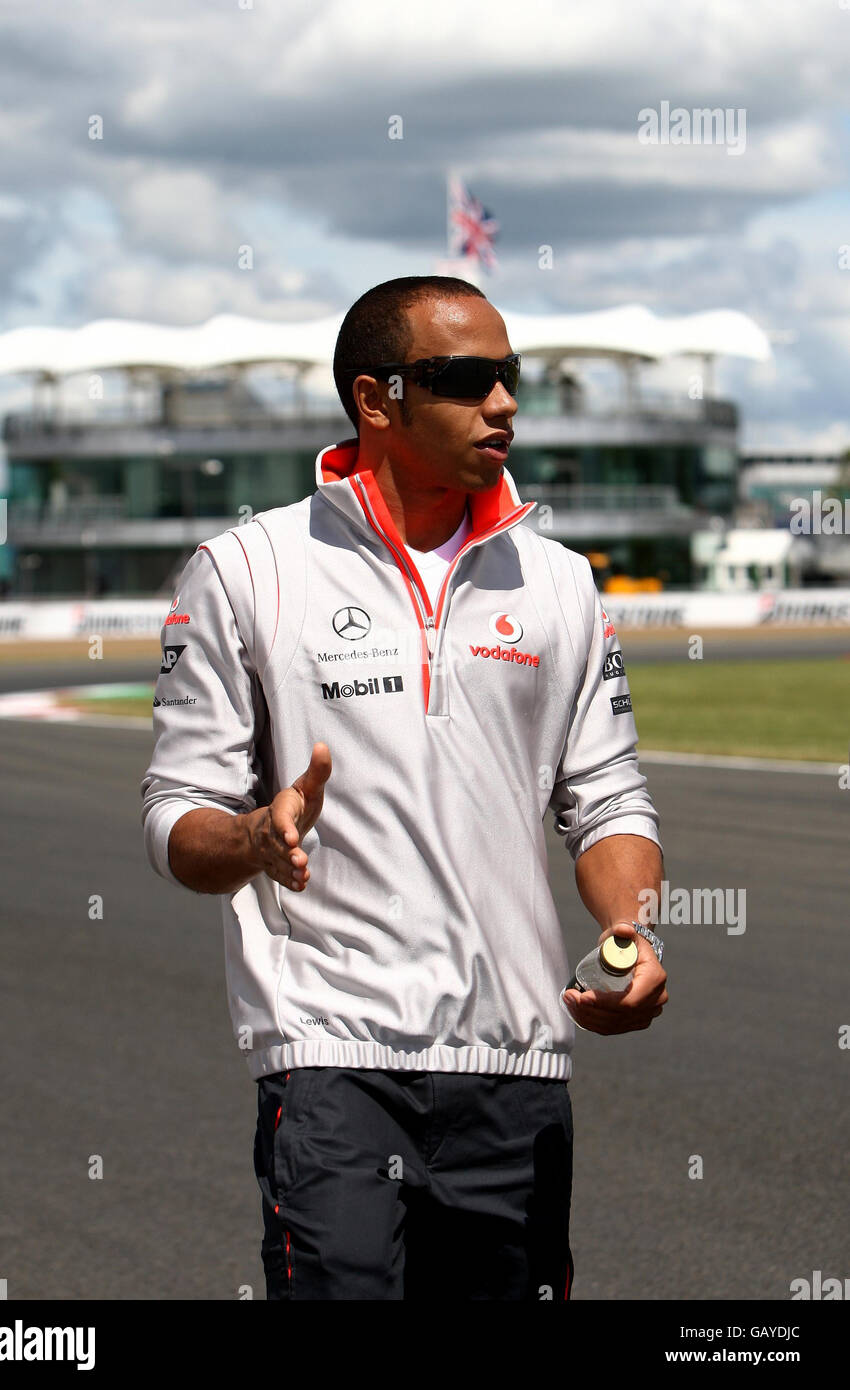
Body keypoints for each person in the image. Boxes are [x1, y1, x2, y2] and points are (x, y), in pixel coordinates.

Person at [140, 275, 667, 1301]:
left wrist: (635, 931)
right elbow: (173, 817)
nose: (503, 403)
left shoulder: (560, 580)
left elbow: (607, 797)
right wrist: (253, 837)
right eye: (467, 380)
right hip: (332, 1055)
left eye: (512, 378)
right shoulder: (248, 569)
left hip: (519, 1063)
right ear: (375, 400)